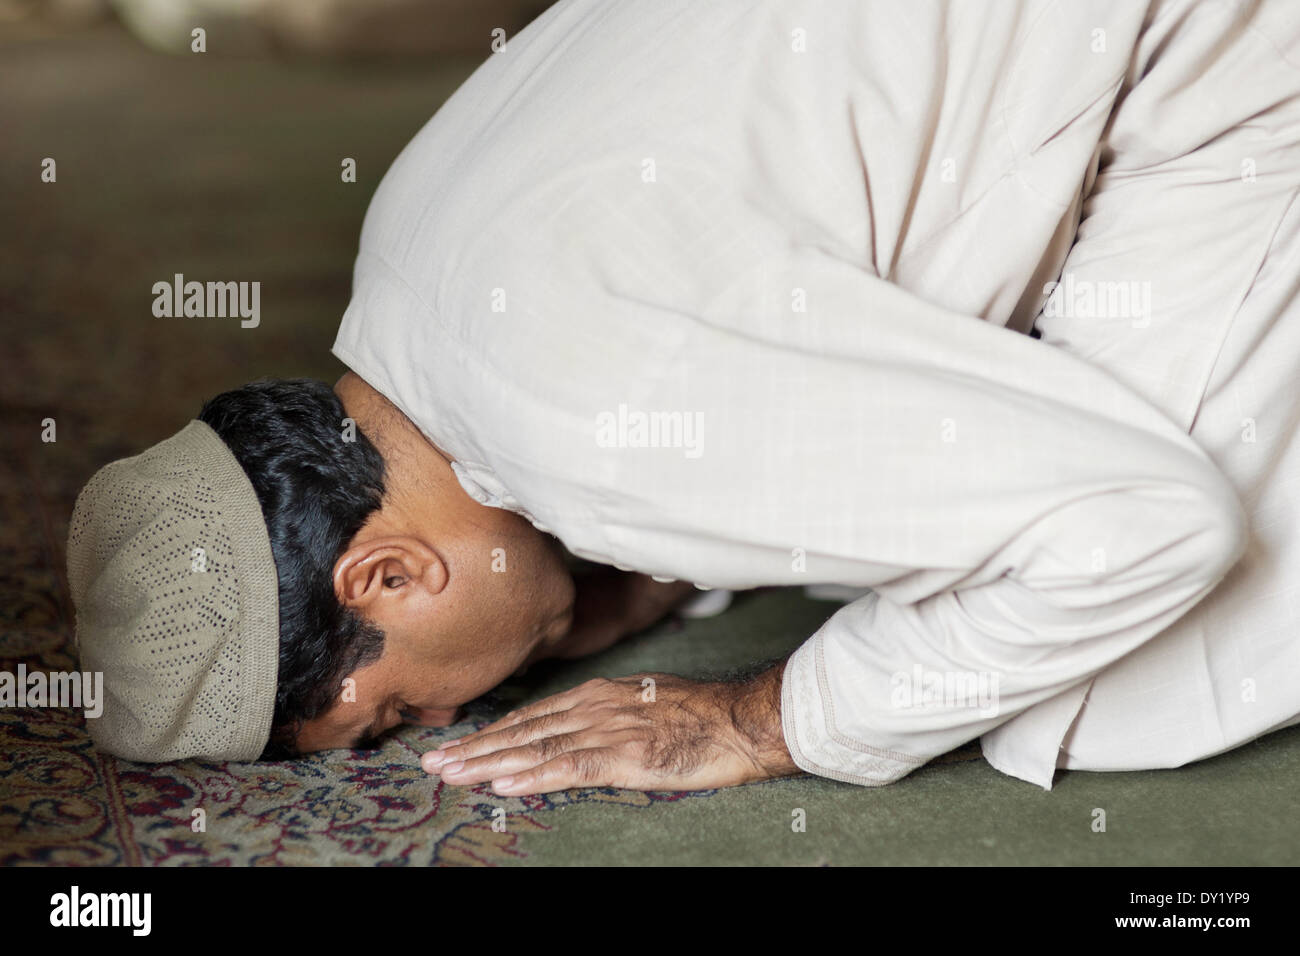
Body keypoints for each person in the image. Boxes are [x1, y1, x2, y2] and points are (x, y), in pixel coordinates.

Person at [69, 0, 1300, 795]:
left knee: (1105, 683)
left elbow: (1144, 527)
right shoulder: (402, 250)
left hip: (1207, 46)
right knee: (904, 565)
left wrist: (763, 716)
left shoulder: (597, 426)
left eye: (401, 708)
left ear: (386, 575)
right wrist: (665, 561)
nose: (462, 708)